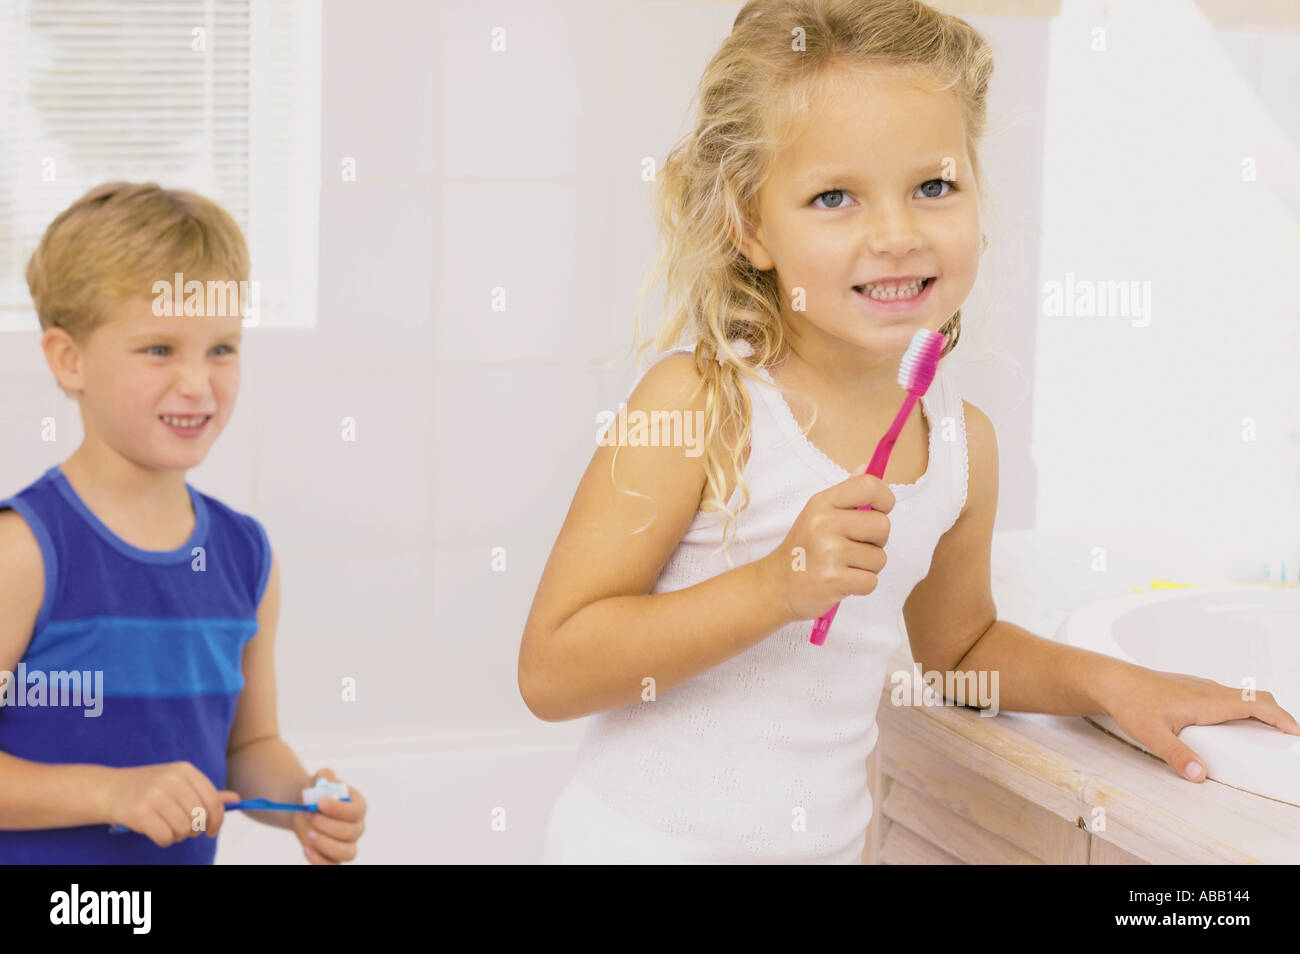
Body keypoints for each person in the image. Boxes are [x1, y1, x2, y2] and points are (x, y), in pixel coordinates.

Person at [519, 0, 1300, 863]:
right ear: (750, 225)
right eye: (833, 197)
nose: (896, 234)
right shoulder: (705, 402)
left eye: (934, 186)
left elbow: (958, 647)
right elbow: (553, 672)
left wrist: (1117, 684)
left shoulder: (961, 444)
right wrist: (775, 587)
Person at [0, 182, 367, 863]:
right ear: (68, 359)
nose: (198, 383)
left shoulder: (245, 556)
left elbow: (248, 746)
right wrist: (110, 795)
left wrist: (301, 801)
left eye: (222, 348)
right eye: (160, 350)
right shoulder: (23, 552)